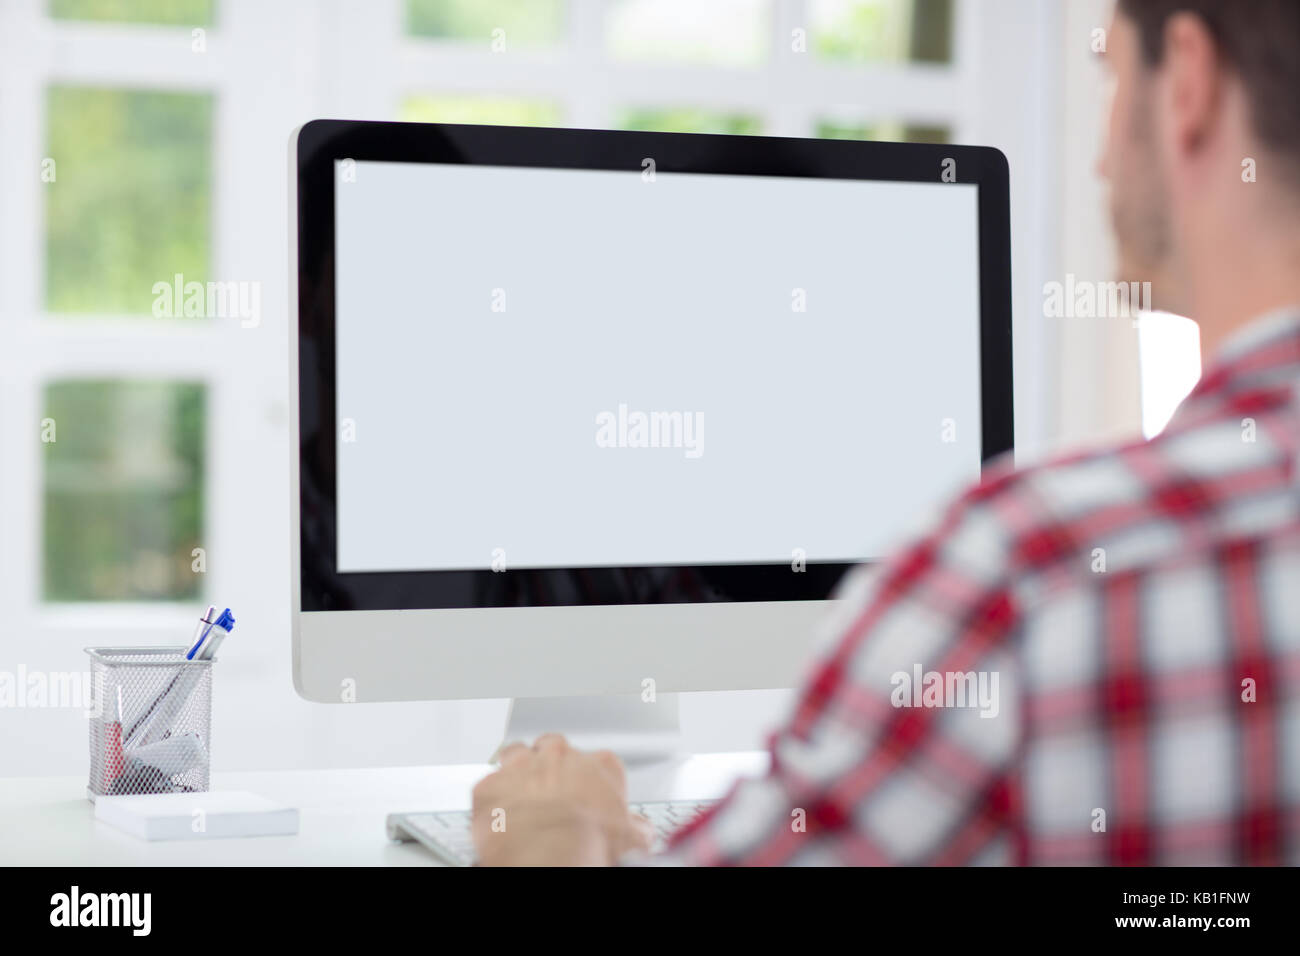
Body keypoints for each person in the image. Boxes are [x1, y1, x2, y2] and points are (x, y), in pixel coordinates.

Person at [471, 0, 1300, 866]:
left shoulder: (1032, 577)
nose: (1096, 158)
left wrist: (546, 842)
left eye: (1115, 80)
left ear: (1188, 85)